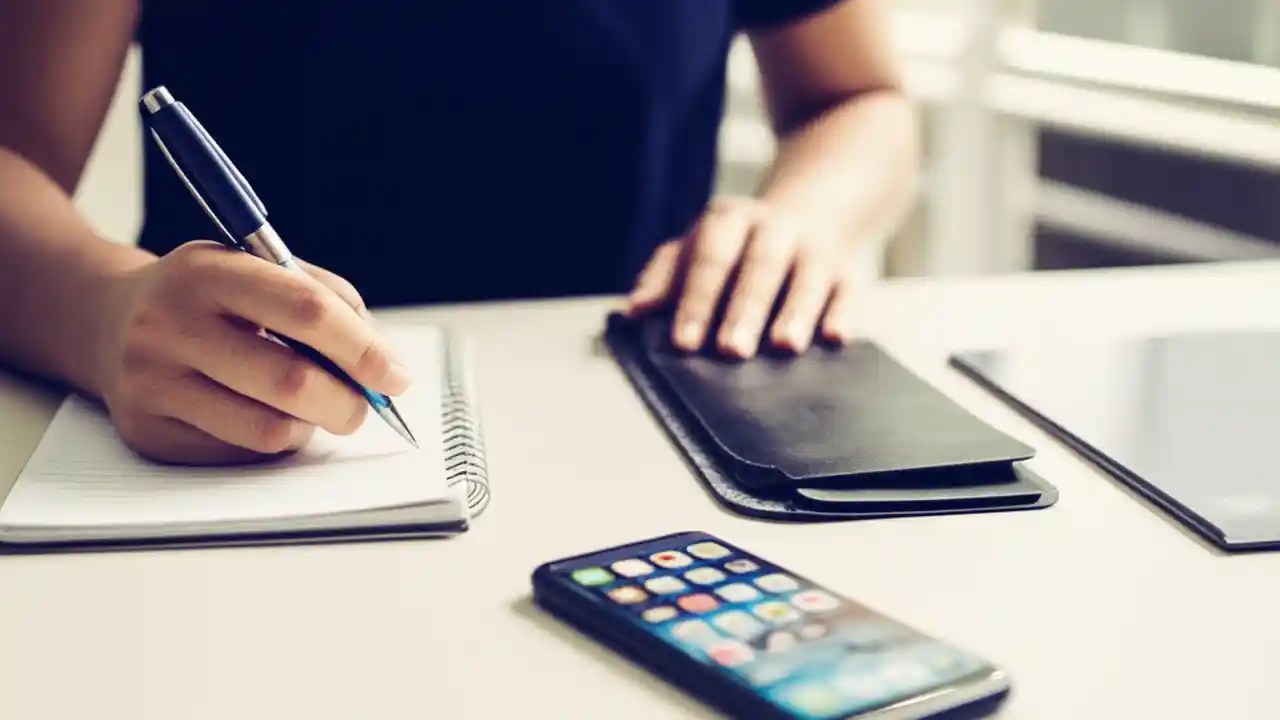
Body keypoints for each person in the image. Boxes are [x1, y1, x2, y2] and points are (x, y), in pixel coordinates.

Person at [0, 1, 918, 464]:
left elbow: (862, 98)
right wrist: (102, 308)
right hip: (220, 428)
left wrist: (806, 218)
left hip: (646, 424)